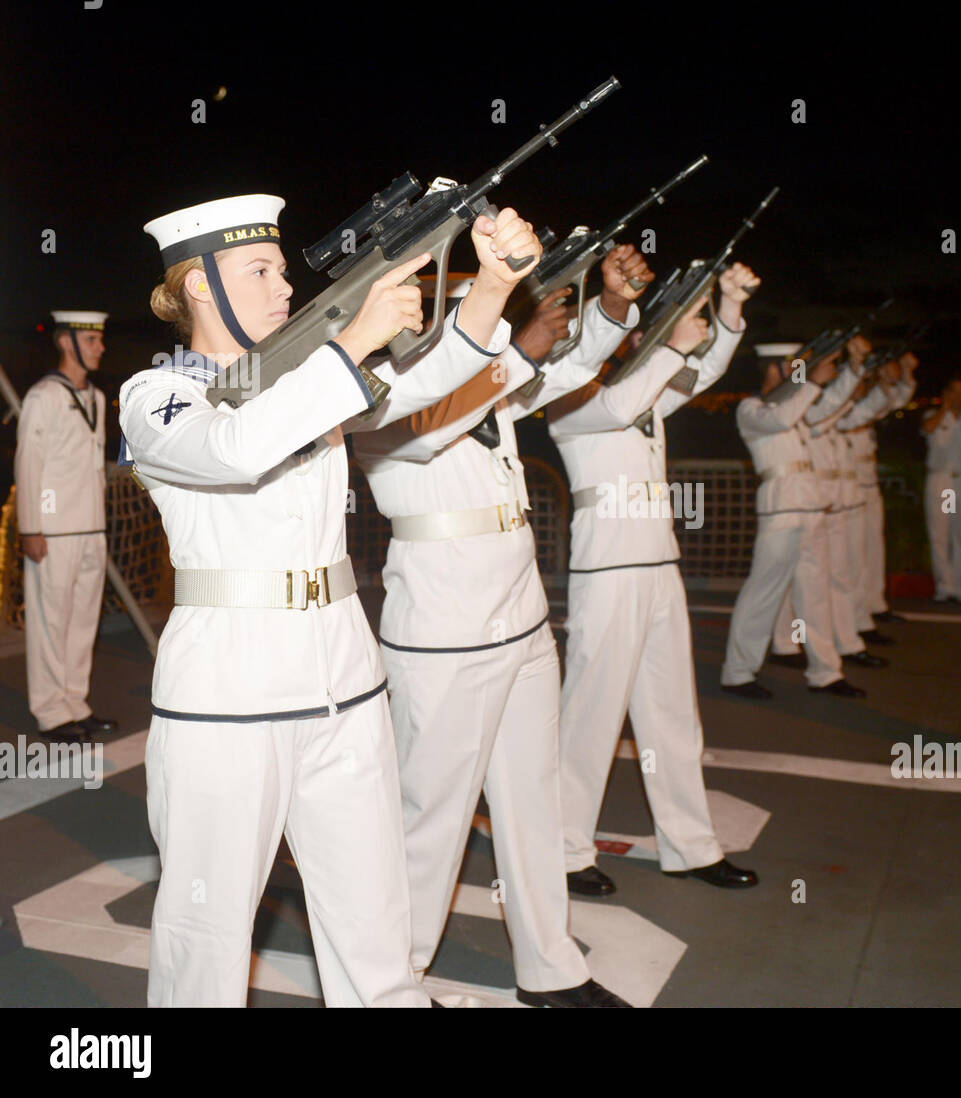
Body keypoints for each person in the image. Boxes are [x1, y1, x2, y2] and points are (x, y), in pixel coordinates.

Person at [120, 192, 539, 1005]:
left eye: (282, 267)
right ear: (199, 285)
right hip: (226, 695)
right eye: (261, 270)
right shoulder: (156, 394)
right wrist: (350, 340)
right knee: (205, 941)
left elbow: (426, 385)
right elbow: (234, 449)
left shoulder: (312, 376)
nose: (285, 285)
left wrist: (489, 288)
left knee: (374, 926)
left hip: (344, 682)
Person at [353, 245, 653, 1008]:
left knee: (533, 799)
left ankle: (550, 968)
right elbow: (426, 427)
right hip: (444, 627)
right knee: (431, 813)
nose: (442, 315)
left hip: (520, 614)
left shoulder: (496, 380)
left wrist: (611, 309)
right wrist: (513, 353)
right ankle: (397, 980)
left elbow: (566, 366)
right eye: (439, 305)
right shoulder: (371, 391)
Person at [549, 263, 762, 898]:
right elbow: (621, 401)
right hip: (608, 573)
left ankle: (691, 846)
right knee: (591, 718)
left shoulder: (647, 392)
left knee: (673, 717)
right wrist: (669, 345)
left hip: (658, 568)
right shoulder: (569, 399)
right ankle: (562, 851)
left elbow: (709, 370)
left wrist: (726, 309)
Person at [721, 343, 865, 699]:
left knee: (814, 595)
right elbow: (781, 419)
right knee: (764, 593)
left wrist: (855, 368)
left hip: (810, 507)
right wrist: (812, 383)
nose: (796, 373)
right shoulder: (750, 409)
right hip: (782, 509)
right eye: (791, 367)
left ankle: (826, 672)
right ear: (774, 370)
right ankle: (738, 672)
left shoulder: (796, 409)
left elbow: (829, 409)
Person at [15, 310, 118, 742]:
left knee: (80, 623)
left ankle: (75, 702)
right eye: (91, 340)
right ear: (66, 343)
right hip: (53, 529)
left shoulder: (94, 397)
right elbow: (29, 465)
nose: (101, 348)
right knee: (50, 623)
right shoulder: (43, 396)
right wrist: (31, 527)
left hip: (90, 527)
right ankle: (51, 712)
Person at [768, 337, 887, 669]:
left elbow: (856, 408)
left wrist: (859, 372)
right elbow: (832, 404)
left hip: (834, 502)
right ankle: (786, 642)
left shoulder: (819, 407)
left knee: (835, 577)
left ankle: (845, 641)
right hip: (808, 502)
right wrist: (850, 372)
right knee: (797, 580)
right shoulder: (795, 408)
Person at [843, 351, 917, 629]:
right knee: (855, 556)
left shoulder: (867, 407)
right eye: (861, 381)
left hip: (869, 485)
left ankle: (875, 604)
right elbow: (879, 402)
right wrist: (884, 385)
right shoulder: (843, 410)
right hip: (850, 486)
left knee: (874, 550)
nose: (865, 386)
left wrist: (905, 375)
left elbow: (895, 400)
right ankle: (856, 614)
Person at [920, 375, 961, 602]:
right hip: (944, 483)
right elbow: (928, 428)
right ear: (946, 393)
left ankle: (959, 585)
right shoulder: (933, 416)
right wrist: (944, 408)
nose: (959, 396)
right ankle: (944, 586)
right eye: (954, 390)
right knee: (941, 533)